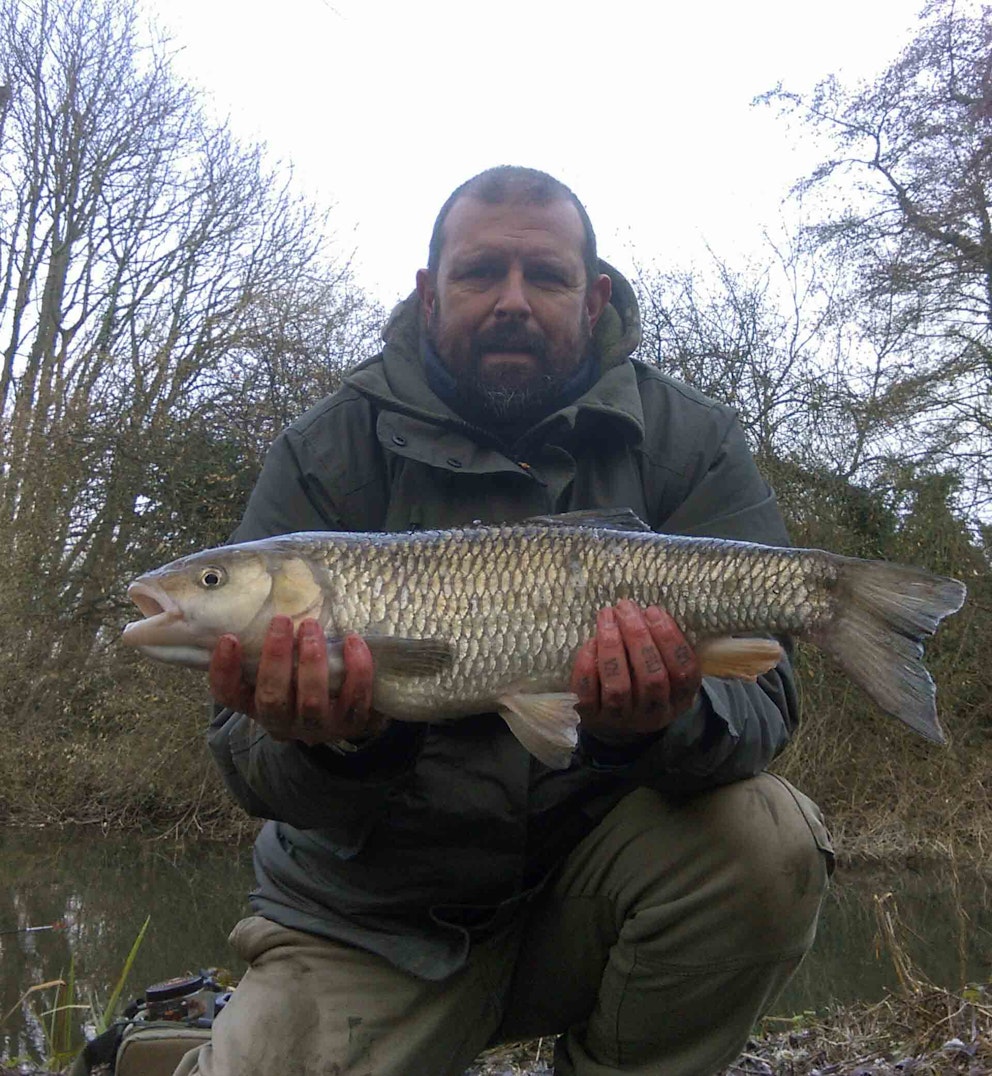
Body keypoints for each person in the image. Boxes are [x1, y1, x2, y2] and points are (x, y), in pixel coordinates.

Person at [176, 167, 832, 1076]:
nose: (512, 302)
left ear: (592, 295)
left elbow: (764, 709)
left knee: (769, 838)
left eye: (547, 278)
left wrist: (652, 726)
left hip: (596, 889)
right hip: (372, 920)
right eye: (481, 273)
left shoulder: (692, 439)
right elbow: (248, 766)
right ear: (429, 288)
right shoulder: (328, 448)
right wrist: (339, 746)